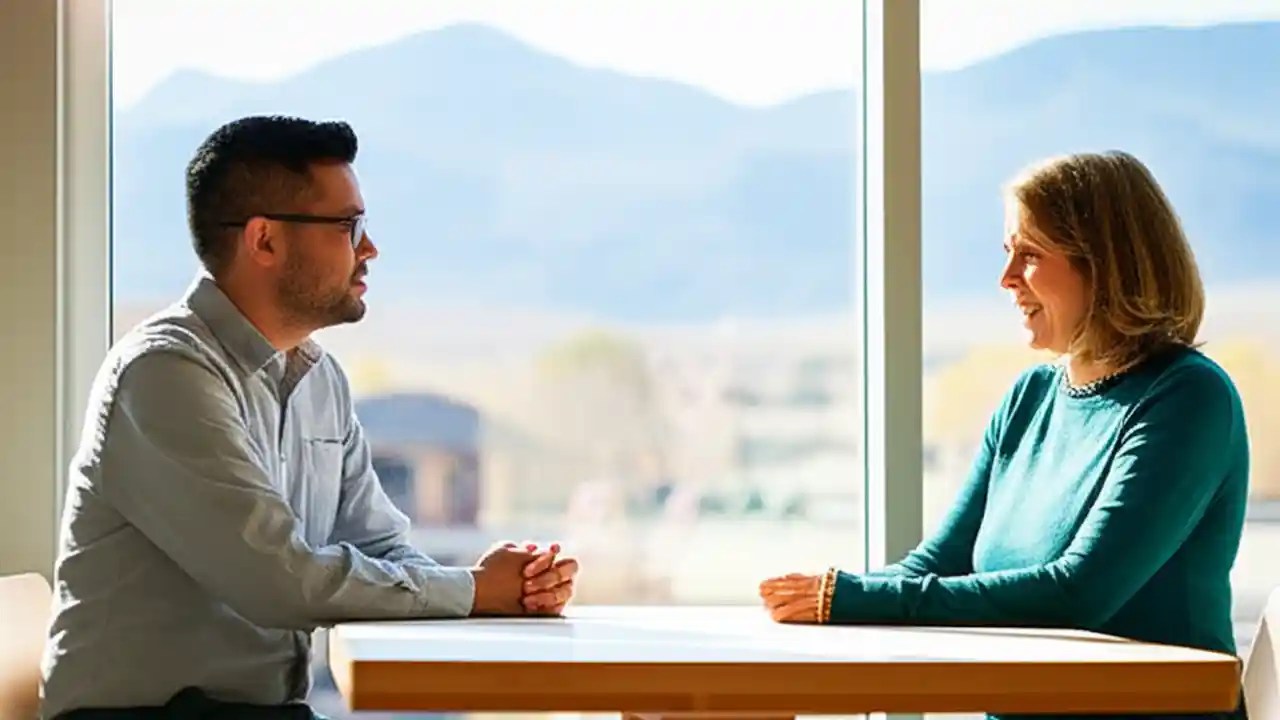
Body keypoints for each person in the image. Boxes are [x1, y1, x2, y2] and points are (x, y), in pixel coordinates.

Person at [41, 115, 580, 719]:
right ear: (265, 240)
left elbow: (380, 544)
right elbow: (278, 580)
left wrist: (508, 587)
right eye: (349, 227)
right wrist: (476, 592)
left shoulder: (318, 379)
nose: (369, 250)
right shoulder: (165, 373)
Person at [759, 151, 1248, 719]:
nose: (1007, 278)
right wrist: (824, 601)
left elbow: (1080, 591)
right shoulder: (1029, 398)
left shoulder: (1188, 397)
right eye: (1008, 251)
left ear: (1107, 266)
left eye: (1031, 254)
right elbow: (936, 565)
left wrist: (847, 598)